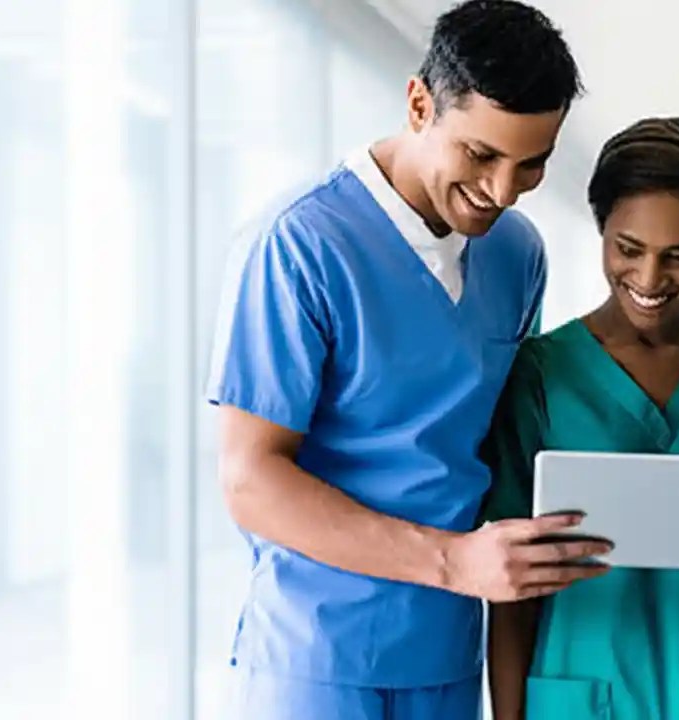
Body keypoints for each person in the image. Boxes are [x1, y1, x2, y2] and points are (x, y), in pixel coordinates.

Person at [204, 3, 614, 718]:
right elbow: (250, 480)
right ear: (419, 103)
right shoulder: (300, 245)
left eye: (532, 166)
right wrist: (455, 561)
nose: (502, 191)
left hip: (448, 656)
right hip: (317, 659)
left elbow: (512, 428)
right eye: (481, 155)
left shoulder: (516, 256)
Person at [481, 117, 679, 720]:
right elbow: (511, 591)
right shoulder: (540, 377)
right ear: (601, 229)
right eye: (628, 250)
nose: (651, 279)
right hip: (581, 697)